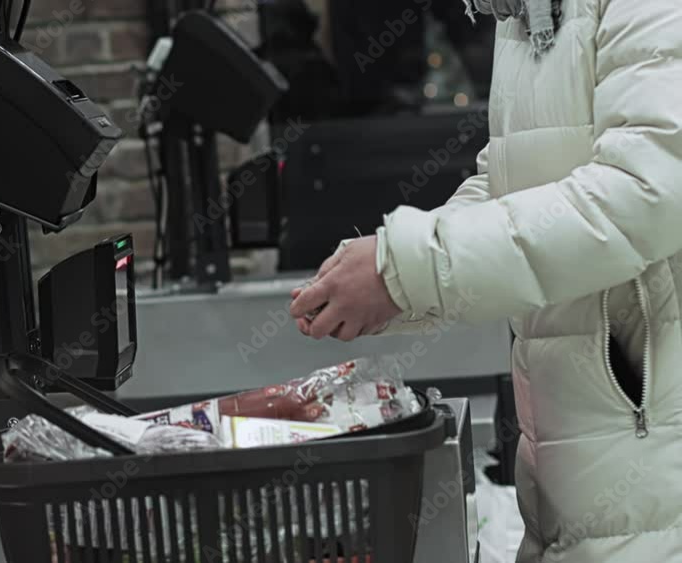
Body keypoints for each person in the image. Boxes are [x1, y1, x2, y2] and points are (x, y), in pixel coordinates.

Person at [289, 0, 682, 562]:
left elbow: (642, 197)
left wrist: (407, 270)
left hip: (654, 480)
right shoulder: (524, 15)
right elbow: (508, 181)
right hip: (570, 475)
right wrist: (391, 280)